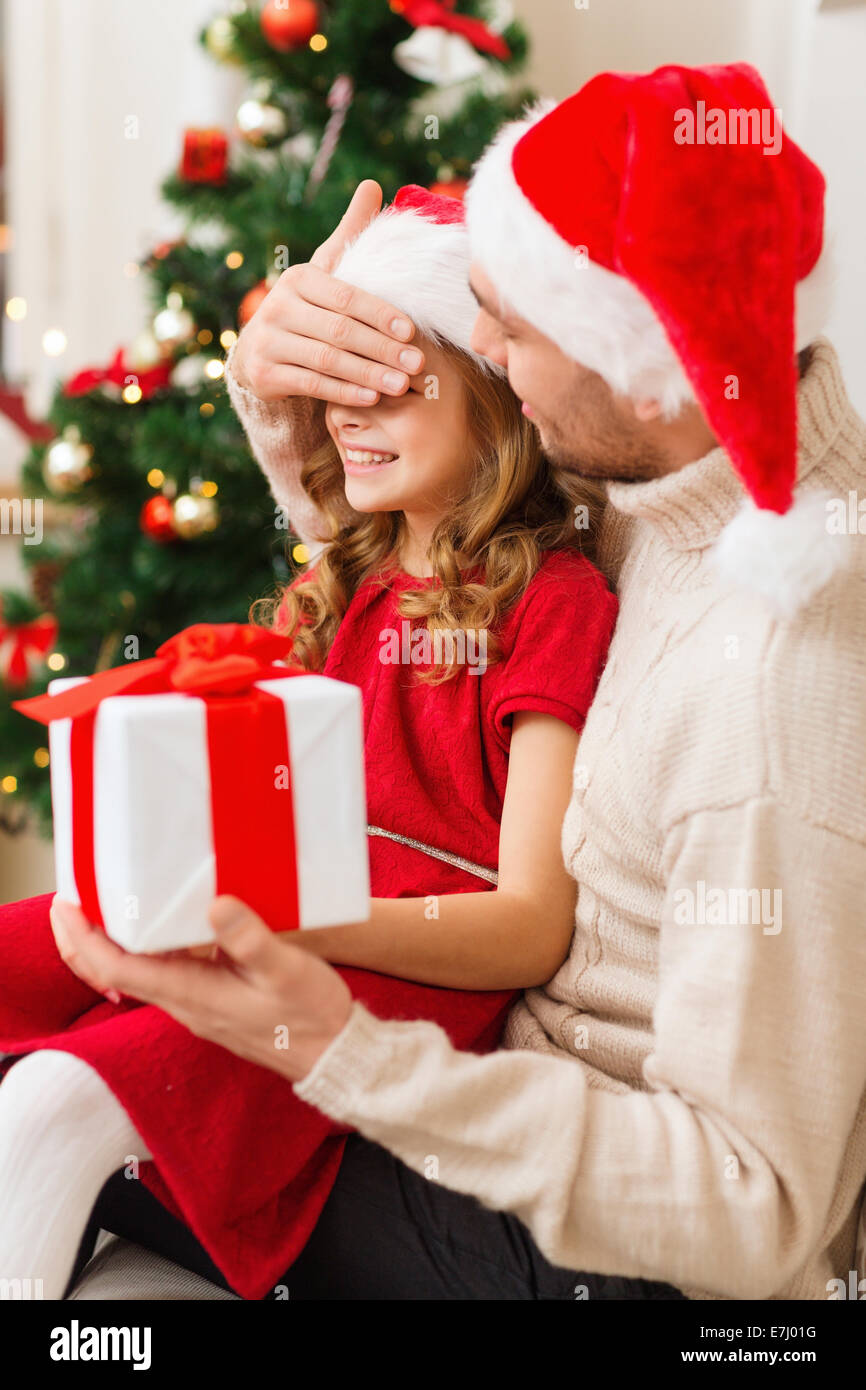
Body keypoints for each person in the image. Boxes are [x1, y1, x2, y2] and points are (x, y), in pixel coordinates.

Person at [52, 61, 866, 1302]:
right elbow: (432, 541)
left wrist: (339, 1050)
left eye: (508, 328)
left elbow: (748, 1208)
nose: (475, 352)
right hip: (485, 1064)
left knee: (85, 1116)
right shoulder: (650, 473)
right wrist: (279, 389)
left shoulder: (769, 691)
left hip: (609, 1244)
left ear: (638, 360)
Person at [0, 187, 618, 1300]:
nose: (343, 415)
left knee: (59, 1105)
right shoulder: (351, 568)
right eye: (332, 387)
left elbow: (529, 925)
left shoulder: (552, 599)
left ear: (494, 387)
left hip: (386, 972)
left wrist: (292, 921)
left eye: (385, 381)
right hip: (268, 911)